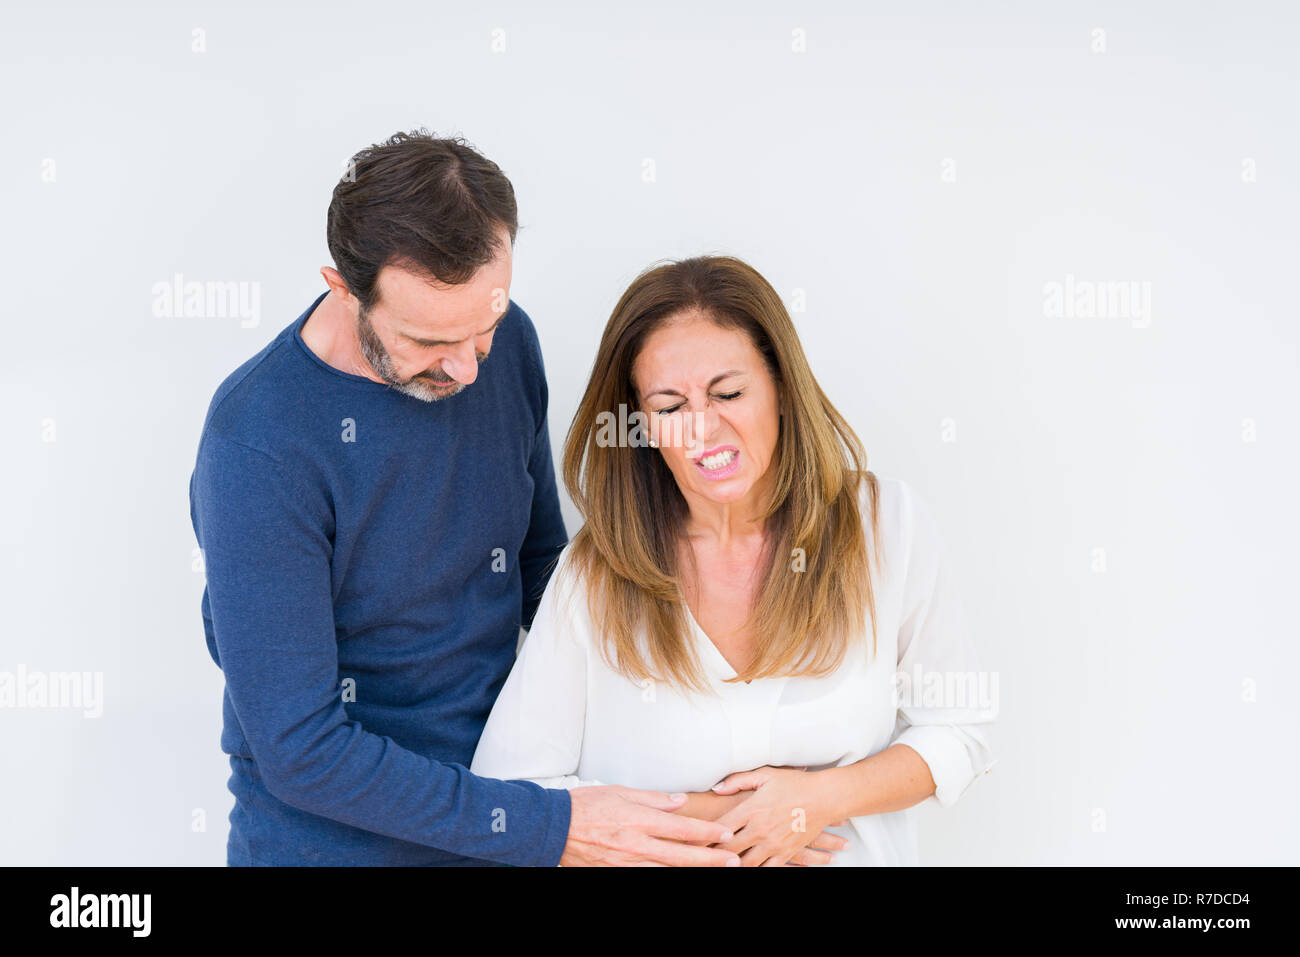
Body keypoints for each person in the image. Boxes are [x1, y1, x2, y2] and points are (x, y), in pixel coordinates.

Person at [188, 130, 750, 866]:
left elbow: (542, 568)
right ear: (343, 288)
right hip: (337, 845)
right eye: (427, 341)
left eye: (481, 326)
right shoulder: (259, 443)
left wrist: (696, 707)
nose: (468, 368)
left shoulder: (509, 342)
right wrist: (551, 827)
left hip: (508, 809)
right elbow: (303, 749)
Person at [471, 254, 997, 865]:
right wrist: (733, 816)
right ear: (639, 426)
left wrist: (820, 797)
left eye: (728, 393)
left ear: (780, 389)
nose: (701, 429)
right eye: (669, 407)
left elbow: (962, 729)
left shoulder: (886, 526)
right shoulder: (596, 574)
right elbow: (513, 797)